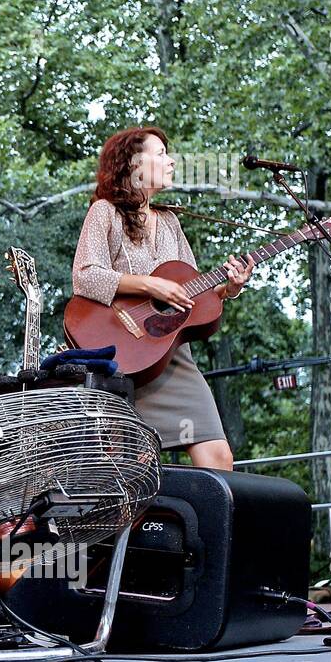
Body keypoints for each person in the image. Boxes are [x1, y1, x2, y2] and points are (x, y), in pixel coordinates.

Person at [72, 126, 254, 469]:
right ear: (132, 164)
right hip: (121, 356)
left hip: (172, 356)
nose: (170, 161)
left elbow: (192, 290)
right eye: (160, 154)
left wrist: (230, 287)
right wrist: (149, 286)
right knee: (128, 469)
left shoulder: (170, 222)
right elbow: (84, 277)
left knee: (219, 456)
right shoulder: (104, 212)